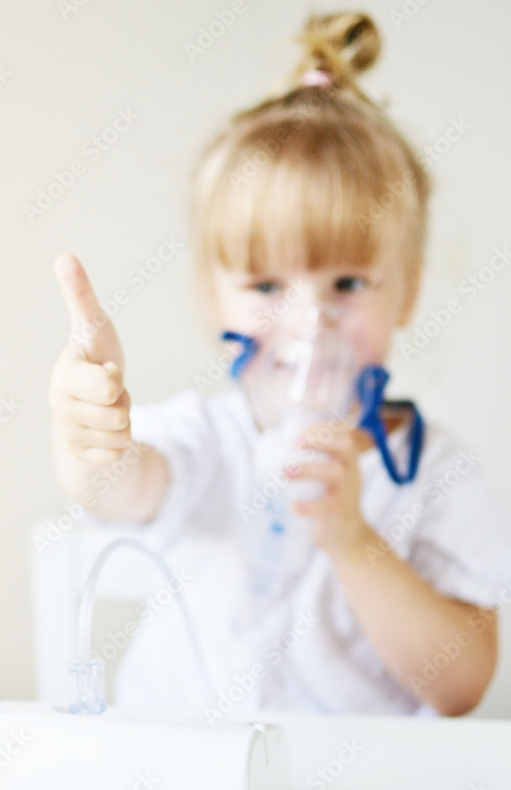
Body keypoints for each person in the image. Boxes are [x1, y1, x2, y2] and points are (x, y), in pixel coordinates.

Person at [48, 11, 511, 719]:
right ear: (213, 297)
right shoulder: (204, 440)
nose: (308, 322)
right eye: (267, 287)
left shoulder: (434, 475)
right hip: (185, 783)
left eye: (348, 285)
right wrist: (89, 434)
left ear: (406, 291)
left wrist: (353, 541)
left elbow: (461, 684)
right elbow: (118, 488)